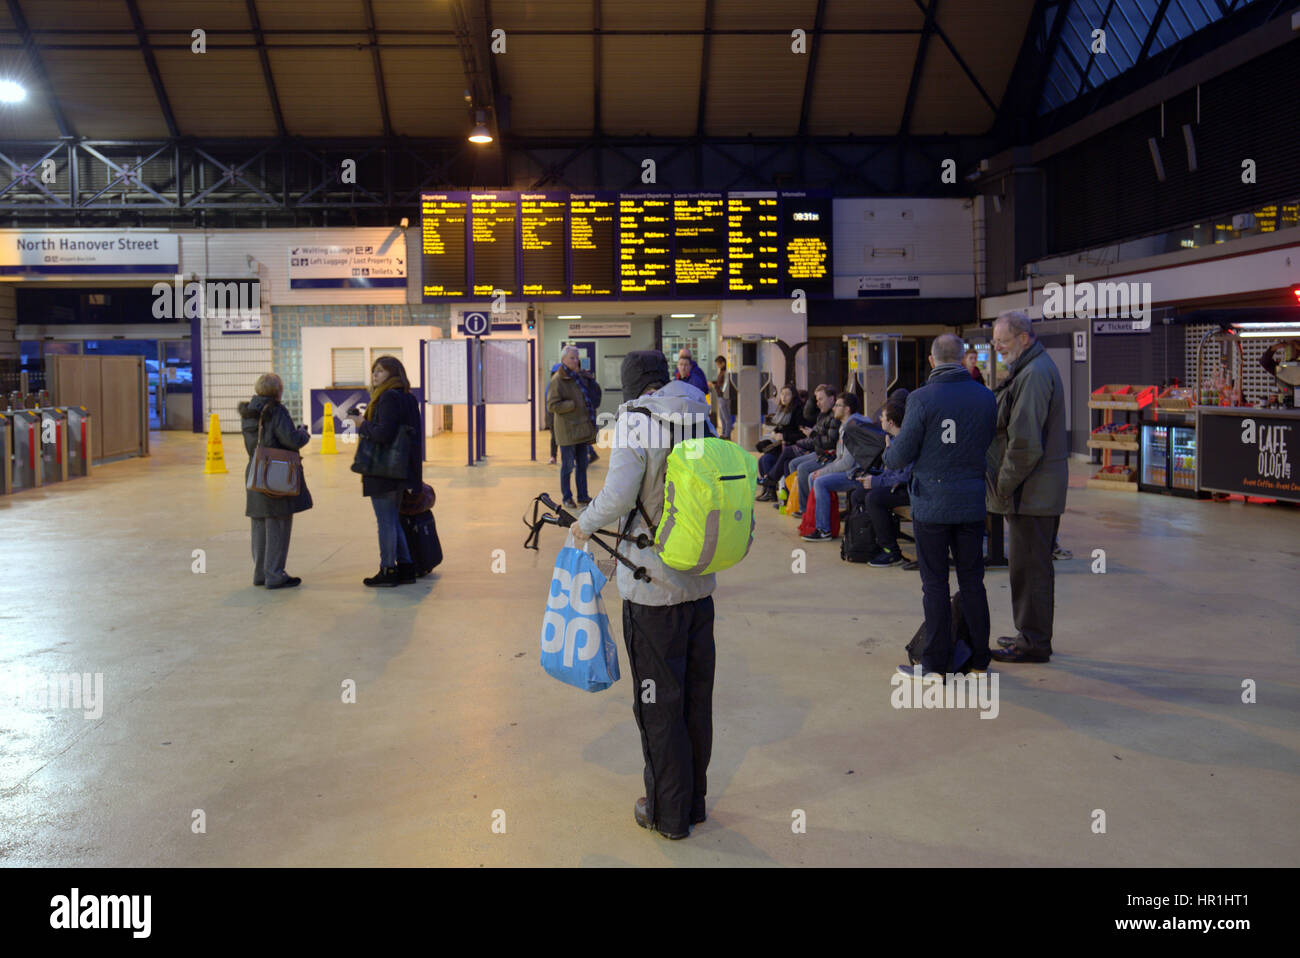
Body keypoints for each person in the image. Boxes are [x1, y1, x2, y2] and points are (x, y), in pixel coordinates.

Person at [570, 351, 717, 840]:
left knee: (658, 704)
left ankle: (667, 814)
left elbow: (617, 496)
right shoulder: (701, 413)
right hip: (700, 582)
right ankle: (693, 803)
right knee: (696, 699)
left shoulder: (636, 419)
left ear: (633, 386)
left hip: (653, 586)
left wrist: (582, 525)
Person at [882, 334, 996, 680]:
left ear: (932, 361)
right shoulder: (986, 397)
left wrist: (890, 449)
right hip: (973, 501)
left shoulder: (920, 399)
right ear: (963, 359)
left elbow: (900, 454)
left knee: (934, 584)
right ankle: (979, 662)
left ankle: (934, 665)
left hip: (932, 504)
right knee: (973, 581)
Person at [987, 311, 1069, 664]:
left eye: (1002, 342)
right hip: (1032, 491)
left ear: (1024, 338)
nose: (997, 348)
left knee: (1031, 568)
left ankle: (1033, 643)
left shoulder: (1034, 375)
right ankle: (1029, 634)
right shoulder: (1028, 369)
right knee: (1026, 566)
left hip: (1032, 492)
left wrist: (1003, 487)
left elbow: (1024, 444)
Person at [350, 355, 423, 587]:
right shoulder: (407, 397)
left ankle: (388, 569)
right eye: (374, 371)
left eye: (380, 371)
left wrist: (362, 424)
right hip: (400, 468)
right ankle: (406, 566)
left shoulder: (388, 398)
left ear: (393, 374)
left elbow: (383, 434)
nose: (375, 375)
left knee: (386, 522)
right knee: (393, 519)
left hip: (383, 469)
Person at [238, 373, 312, 589]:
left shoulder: (249, 412)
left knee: (259, 522)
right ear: (277, 391)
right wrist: (302, 433)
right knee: (278, 522)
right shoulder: (275, 411)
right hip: (276, 472)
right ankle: (275, 574)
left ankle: (260, 573)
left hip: (256, 468)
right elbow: (290, 439)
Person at [851, 389, 912, 567]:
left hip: (908, 489)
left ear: (891, 422)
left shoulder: (905, 442)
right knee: (858, 494)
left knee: (874, 498)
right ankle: (869, 540)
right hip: (897, 485)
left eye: (883, 418)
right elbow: (891, 472)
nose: (880, 421)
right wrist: (874, 477)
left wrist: (876, 482)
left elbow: (904, 476)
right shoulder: (893, 438)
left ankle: (891, 551)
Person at [802, 392, 868, 542]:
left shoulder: (852, 427)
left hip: (857, 475)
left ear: (847, 409)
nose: (834, 409)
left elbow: (847, 463)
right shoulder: (848, 425)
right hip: (852, 471)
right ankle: (824, 523)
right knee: (814, 477)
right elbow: (841, 459)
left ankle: (824, 529)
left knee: (819, 481)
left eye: (838, 405)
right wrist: (822, 471)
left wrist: (823, 471)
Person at [547, 345, 598, 508]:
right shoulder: (558, 380)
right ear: (563, 360)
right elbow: (552, 405)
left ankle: (583, 496)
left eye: (577, 358)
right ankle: (567, 497)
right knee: (568, 466)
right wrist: (571, 405)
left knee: (582, 465)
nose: (576, 361)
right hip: (568, 431)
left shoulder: (581, 377)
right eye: (572, 358)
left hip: (582, 429)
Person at [786, 385, 840, 516]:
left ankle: (805, 509)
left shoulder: (835, 417)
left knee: (803, 468)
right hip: (819, 451)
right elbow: (810, 415)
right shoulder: (822, 414)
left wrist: (812, 436)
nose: (817, 403)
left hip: (829, 455)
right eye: (816, 399)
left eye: (821, 399)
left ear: (832, 399)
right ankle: (798, 501)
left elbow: (830, 443)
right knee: (792, 463)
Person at [756, 384, 804, 500]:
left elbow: (800, 434)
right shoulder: (782, 410)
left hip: (791, 447)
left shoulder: (798, 411)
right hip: (781, 446)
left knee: (768, 460)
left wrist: (783, 436)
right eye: (782, 394)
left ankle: (770, 485)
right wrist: (774, 434)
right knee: (763, 459)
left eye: (787, 394)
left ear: (793, 396)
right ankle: (769, 491)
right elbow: (779, 428)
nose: (784, 397)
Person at [711, 355, 733, 440]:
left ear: (723, 363)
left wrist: (715, 385)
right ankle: (724, 433)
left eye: (718, 364)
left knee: (726, 416)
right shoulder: (721, 372)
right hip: (720, 396)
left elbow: (723, 385)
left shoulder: (725, 373)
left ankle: (727, 434)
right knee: (722, 416)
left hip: (724, 397)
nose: (718, 366)